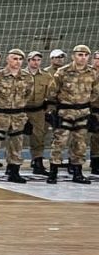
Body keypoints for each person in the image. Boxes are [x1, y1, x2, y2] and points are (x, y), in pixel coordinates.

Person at [45, 44, 96, 185]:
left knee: (80, 144)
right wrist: (52, 110)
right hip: (65, 112)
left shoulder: (92, 73)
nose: (83, 58)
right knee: (59, 143)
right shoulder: (62, 72)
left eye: (86, 55)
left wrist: (88, 107)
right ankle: (53, 172)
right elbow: (52, 92)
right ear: (73, 56)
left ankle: (77, 172)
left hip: (83, 112)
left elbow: (95, 92)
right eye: (80, 55)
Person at [0, 48, 32, 183]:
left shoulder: (27, 77)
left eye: (20, 59)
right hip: (0, 115)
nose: (18, 62)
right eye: (15, 58)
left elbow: (28, 95)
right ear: (8, 59)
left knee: (16, 144)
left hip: (18, 116)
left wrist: (18, 106)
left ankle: (14, 172)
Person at [24, 51, 52, 175]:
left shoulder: (46, 76)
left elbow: (51, 92)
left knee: (38, 137)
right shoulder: (21, 75)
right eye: (33, 60)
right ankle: (12, 165)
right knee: (16, 136)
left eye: (38, 60)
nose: (36, 62)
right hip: (21, 110)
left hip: (38, 111)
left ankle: (38, 161)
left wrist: (48, 108)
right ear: (28, 61)